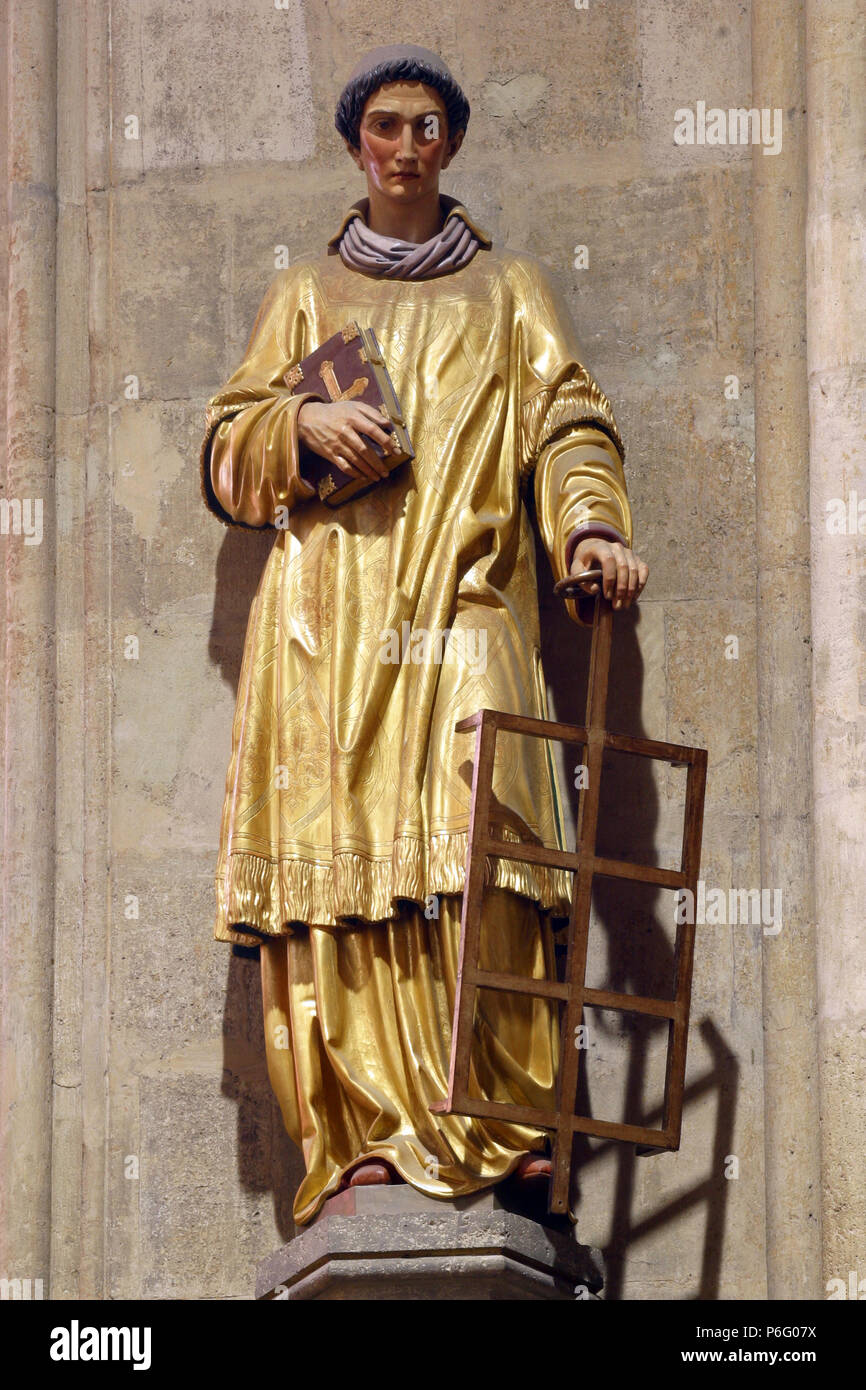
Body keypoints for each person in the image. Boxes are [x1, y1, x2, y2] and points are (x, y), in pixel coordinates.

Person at [200, 44, 648, 1225]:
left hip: (466, 607)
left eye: (429, 126)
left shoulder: (510, 293)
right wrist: (304, 420)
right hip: (327, 626)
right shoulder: (303, 293)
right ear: (357, 142)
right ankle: (356, 1127)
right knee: (339, 856)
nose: (407, 146)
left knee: (482, 840)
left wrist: (590, 527)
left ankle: (499, 1119)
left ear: (450, 143)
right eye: (387, 125)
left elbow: (566, 420)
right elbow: (230, 447)